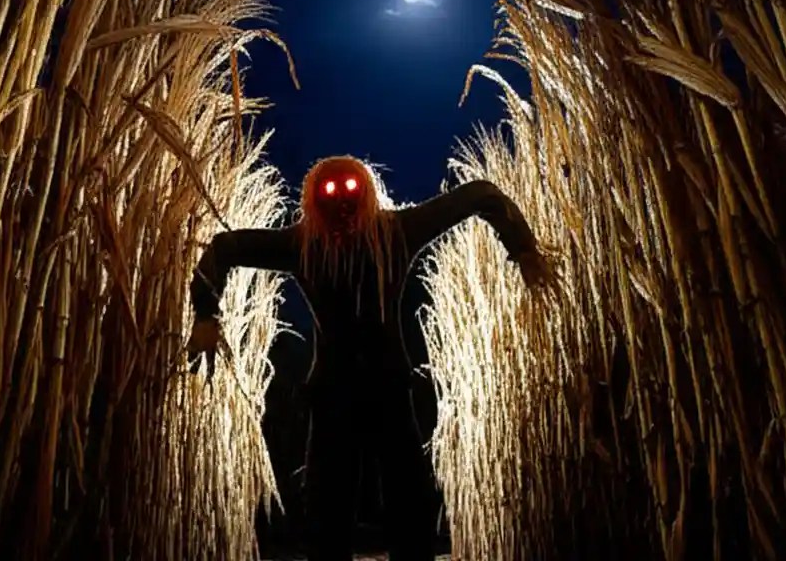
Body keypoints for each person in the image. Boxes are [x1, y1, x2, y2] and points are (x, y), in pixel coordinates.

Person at [186, 155, 547, 561]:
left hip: (385, 388)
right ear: (314, 202)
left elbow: (481, 195)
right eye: (330, 194)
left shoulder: (394, 233)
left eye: (351, 192)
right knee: (330, 504)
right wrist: (205, 313)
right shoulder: (304, 245)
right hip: (335, 394)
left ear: (368, 193)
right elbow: (224, 248)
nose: (342, 205)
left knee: (405, 497)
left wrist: (523, 249)